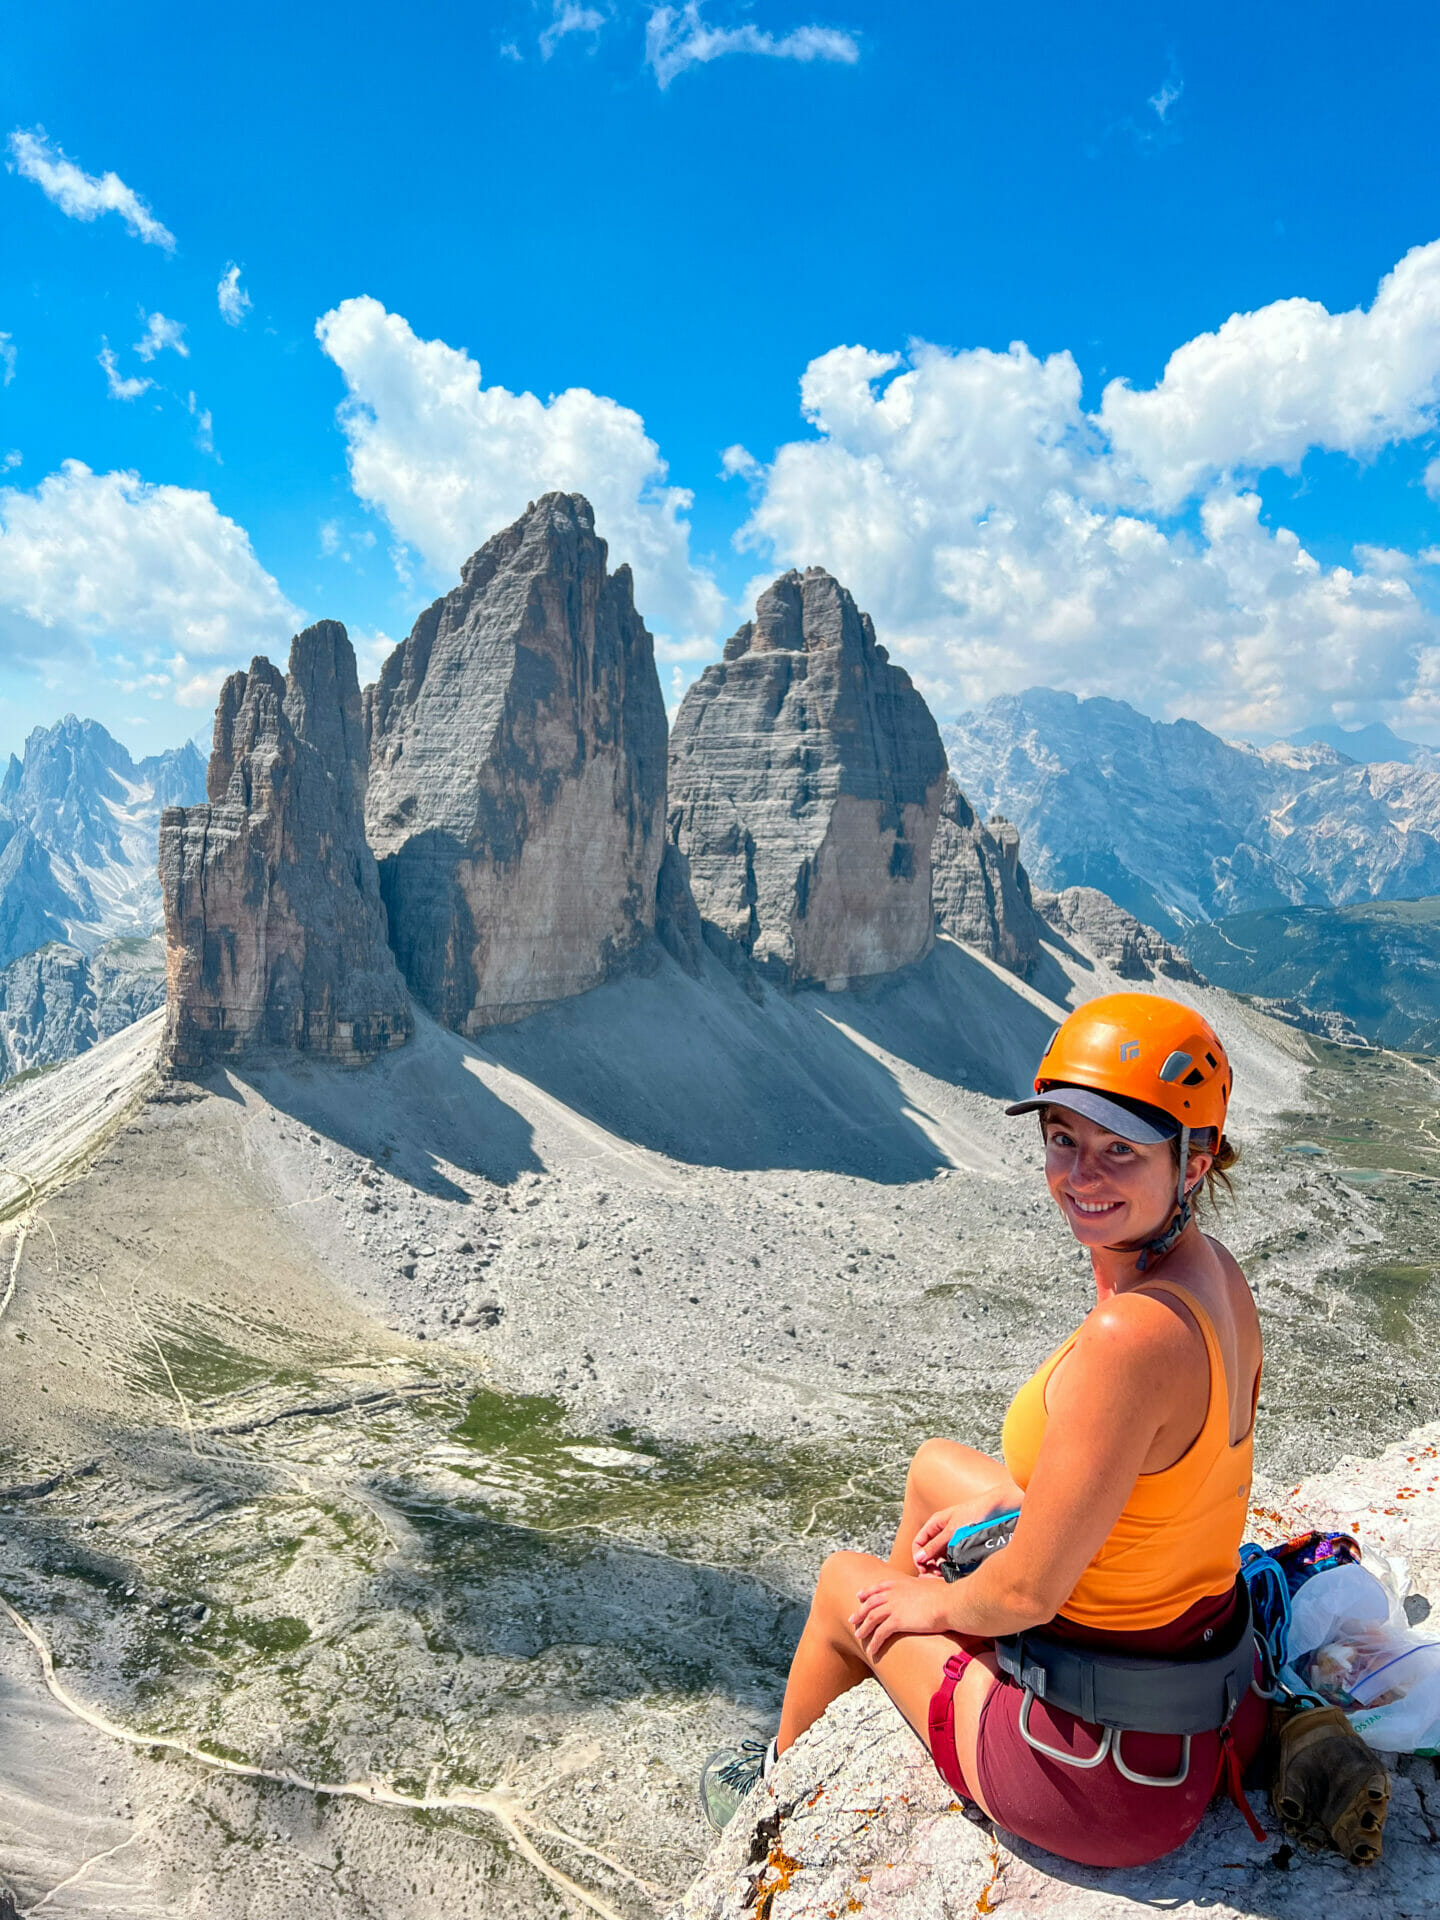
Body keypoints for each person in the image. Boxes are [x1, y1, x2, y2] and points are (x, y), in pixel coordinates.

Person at [700, 993, 1267, 1868]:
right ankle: (900, 1681)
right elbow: (1163, 1471)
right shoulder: (1213, 1273)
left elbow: (1024, 1598)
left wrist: (934, 1602)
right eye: (1063, 1138)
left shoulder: (1132, 1334)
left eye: (1121, 1148)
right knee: (936, 1470)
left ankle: (772, 1799)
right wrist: (1021, 1496)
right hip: (1212, 1687)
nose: (1082, 1174)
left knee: (845, 1586)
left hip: (1105, 1766)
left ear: (1192, 1163)